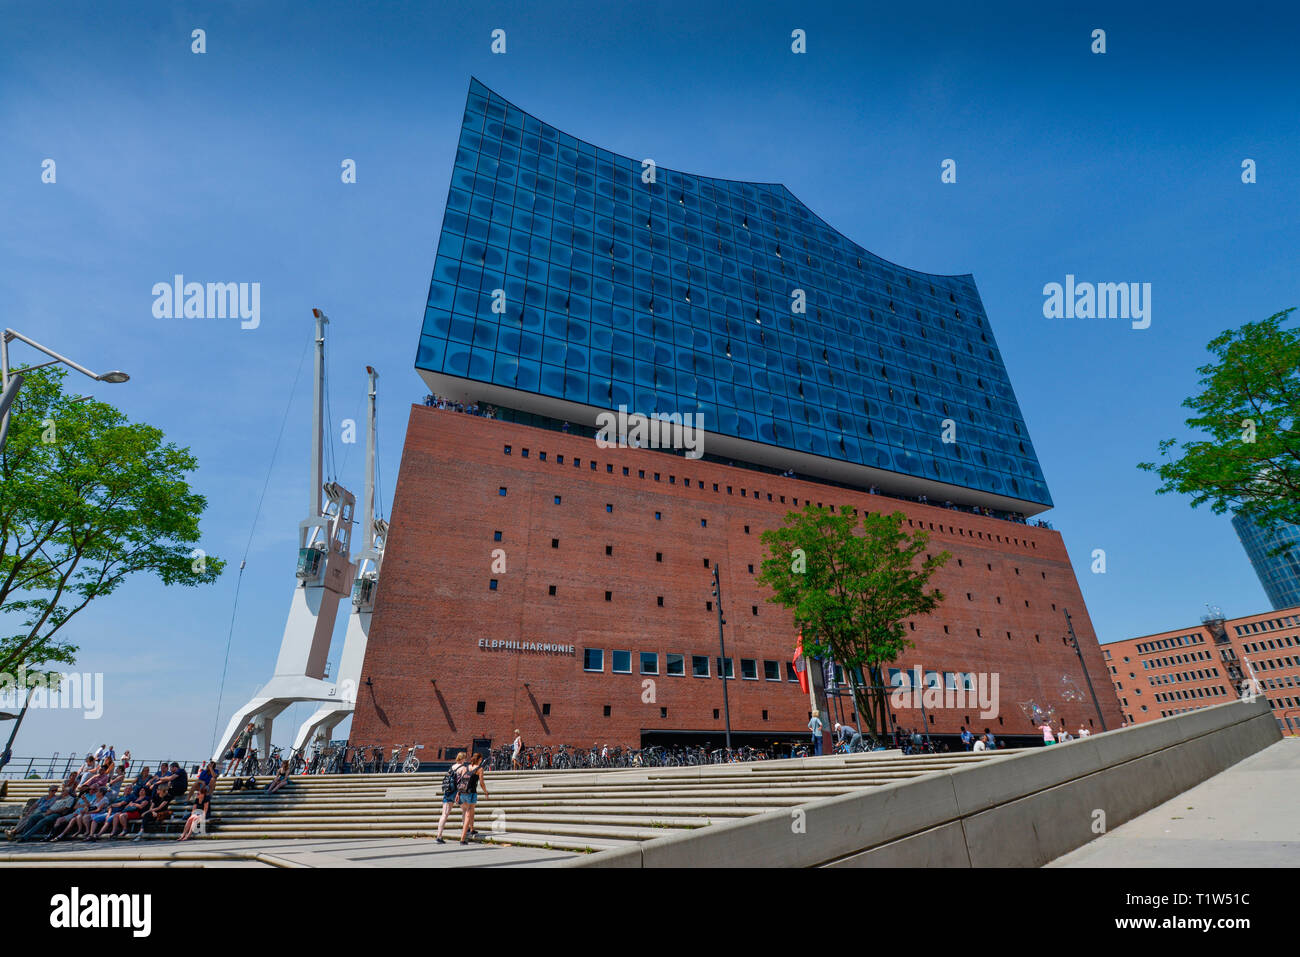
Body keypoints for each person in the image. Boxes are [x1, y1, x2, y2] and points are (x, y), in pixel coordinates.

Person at [435, 751, 468, 844]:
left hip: (448, 792)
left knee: (444, 814)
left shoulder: (452, 767)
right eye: (465, 758)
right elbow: (463, 783)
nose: (466, 759)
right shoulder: (463, 768)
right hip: (457, 793)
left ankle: (439, 836)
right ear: (463, 759)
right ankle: (464, 834)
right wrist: (459, 793)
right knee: (466, 810)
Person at [459, 753, 489, 844]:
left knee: (468, 812)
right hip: (471, 793)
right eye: (481, 759)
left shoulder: (466, 767)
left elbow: (461, 780)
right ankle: (462, 839)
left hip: (463, 792)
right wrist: (486, 792)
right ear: (479, 759)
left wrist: (458, 793)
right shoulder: (480, 769)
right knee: (468, 814)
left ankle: (471, 829)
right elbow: (481, 783)